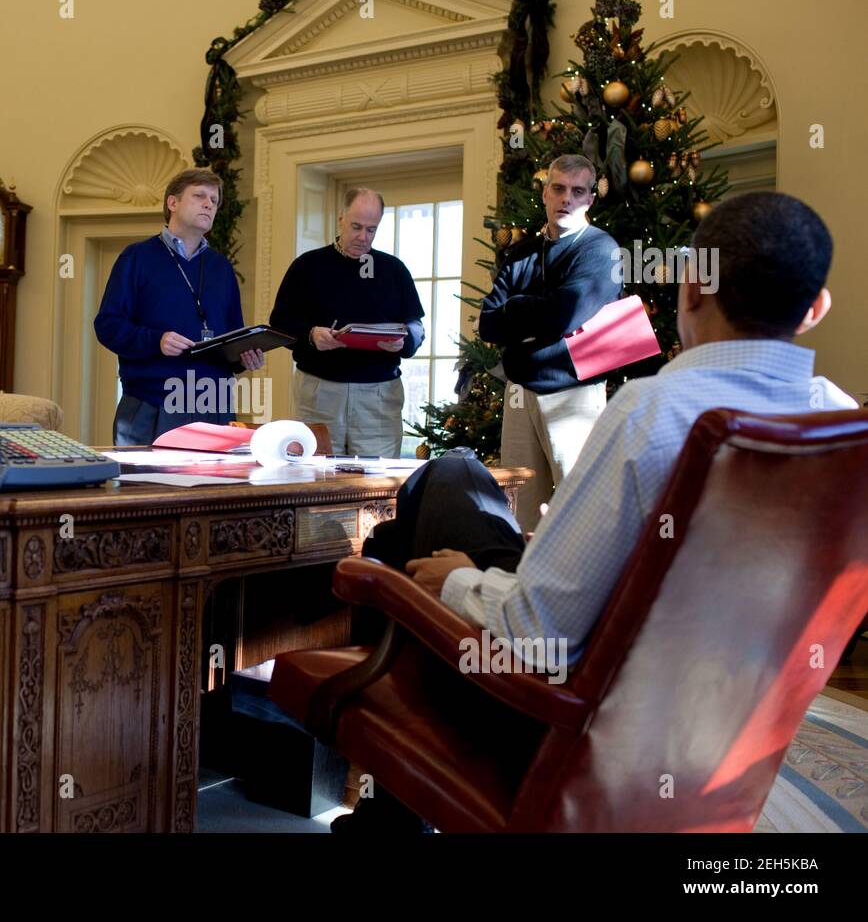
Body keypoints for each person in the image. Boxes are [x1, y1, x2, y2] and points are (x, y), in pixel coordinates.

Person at [340, 189, 858, 833]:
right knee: (439, 496)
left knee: (431, 501)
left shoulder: (656, 411)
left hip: (567, 719)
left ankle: (384, 810)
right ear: (815, 309)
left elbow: (537, 633)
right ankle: (384, 819)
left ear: (692, 290)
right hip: (720, 732)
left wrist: (458, 581)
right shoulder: (840, 426)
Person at [478, 154, 623, 531]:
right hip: (520, 392)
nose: (567, 198)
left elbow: (564, 314)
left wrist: (519, 308)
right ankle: (521, 587)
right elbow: (490, 324)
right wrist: (536, 319)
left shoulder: (600, 250)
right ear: (545, 193)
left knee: (580, 510)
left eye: (578, 191)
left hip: (573, 392)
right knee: (521, 511)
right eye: (558, 188)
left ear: (590, 199)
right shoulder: (522, 251)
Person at [94, 168, 263, 445]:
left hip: (214, 406)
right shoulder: (136, 257)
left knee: (216, 490)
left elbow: (231, 334)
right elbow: (108, 325)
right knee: (146, 489)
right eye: (200, 196)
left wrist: (243, 357)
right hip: (152, 402)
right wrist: (155, 340)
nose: (209, 204)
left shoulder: (221, 267)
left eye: (214, 200)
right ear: (173, 203)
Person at [270, 188, 424, 458]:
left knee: (376, 487)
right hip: (319, 391)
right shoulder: (308, 266)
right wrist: (310, 334)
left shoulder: (393, 270)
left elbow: (416, 328)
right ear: (340, 218)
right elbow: (280, 322)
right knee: (317, 481)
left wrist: (404, 340)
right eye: (356, 227)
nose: (363, 237)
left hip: (379, 397)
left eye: (371, 230)